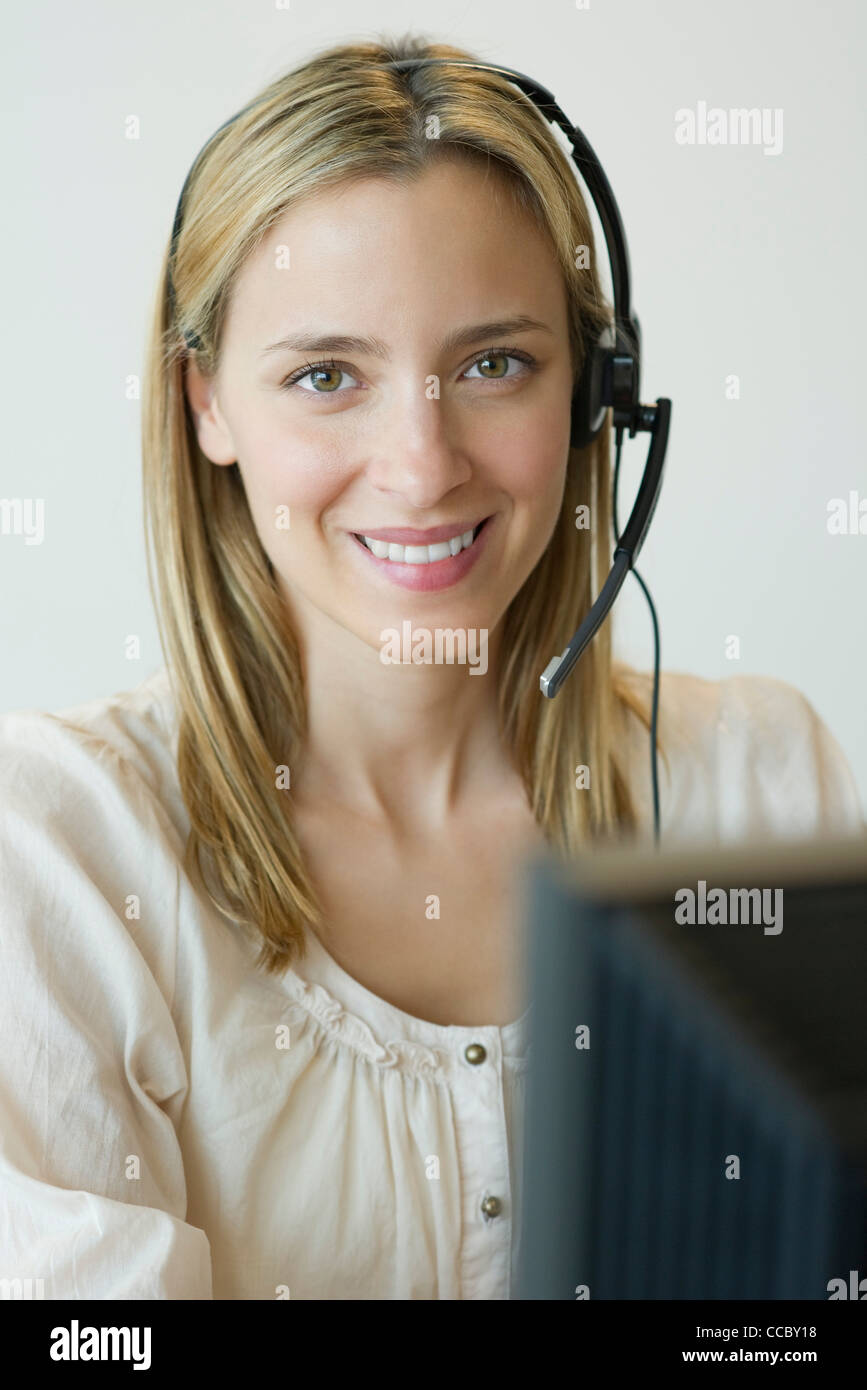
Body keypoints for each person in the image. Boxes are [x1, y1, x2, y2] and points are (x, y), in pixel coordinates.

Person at [0, 34, 862, 1302]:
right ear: (207, 406)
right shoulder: (61, 851)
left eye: (494, 364)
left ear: (595, 395)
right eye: (327, 376)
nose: (420, 463)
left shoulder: (757, 788)